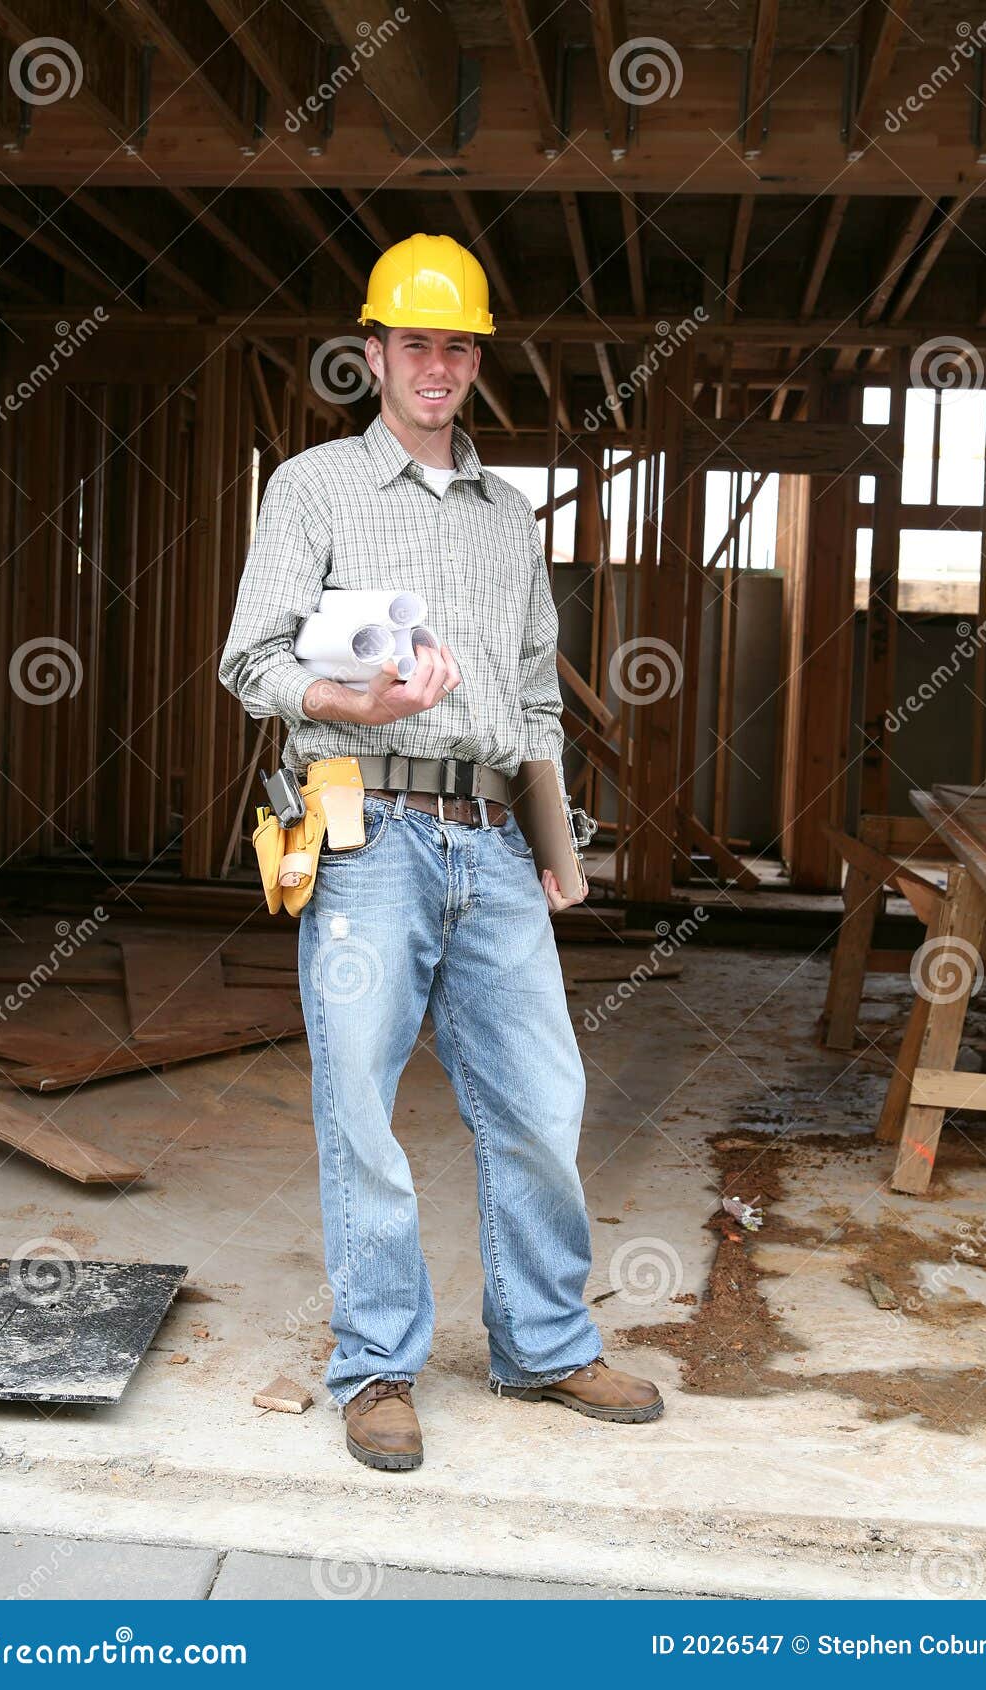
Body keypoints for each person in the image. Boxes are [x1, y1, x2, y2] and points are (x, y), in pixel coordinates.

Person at [219, 232, 662, 1471]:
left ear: (473, 362)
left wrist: (554, 846)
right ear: (373, 355)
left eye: (455, 345)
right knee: (359, 1099)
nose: (435, 364)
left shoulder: (506, 518)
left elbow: (531, 700)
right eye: (413, 342)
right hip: (364, 832)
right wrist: (356, 701)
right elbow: (250, 662)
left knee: (540, 1096)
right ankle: (374, 1365)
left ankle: (544, 1342)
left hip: (488, 840)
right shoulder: (311, 489)